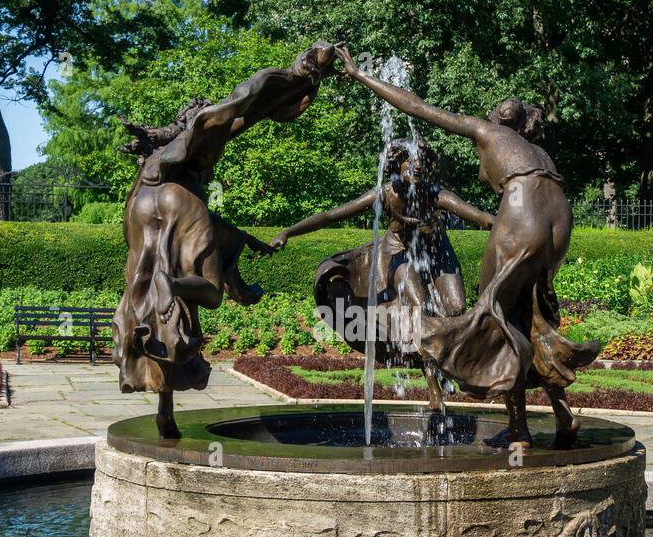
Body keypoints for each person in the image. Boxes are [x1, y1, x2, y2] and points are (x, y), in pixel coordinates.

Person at [332, 44, 599, 446]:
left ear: (497, 119)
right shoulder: (538, 151)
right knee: (531, 314)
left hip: (522, 205)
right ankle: (562, 415)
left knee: (495, 315)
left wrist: (361, 75)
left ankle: (520, 429)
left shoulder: (488, 131)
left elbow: (416, 107)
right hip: (559, 217)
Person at [113, 42, 336, 438]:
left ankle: (165, 409)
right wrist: (302, 77)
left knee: (148, 296)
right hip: (181, 200)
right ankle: (175, 283)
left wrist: (242, 239)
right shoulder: (209, 130)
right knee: (210, 292)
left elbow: (214, 225)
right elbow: (246, 102)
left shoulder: (157, 156)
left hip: (141, 203)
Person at [272, 138, 493, 408]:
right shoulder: (386, 193)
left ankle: (453, 365)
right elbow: (331, 215)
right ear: (398, 165)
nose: (417, 165)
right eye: (410, 160)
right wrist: (288, 232)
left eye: (421, 160)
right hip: (399, 251)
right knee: (419, 311)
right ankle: (434, 391)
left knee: (457, 308)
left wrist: (515, 221)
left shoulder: (435, 194)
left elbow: (479, 216)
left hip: (435, 251)